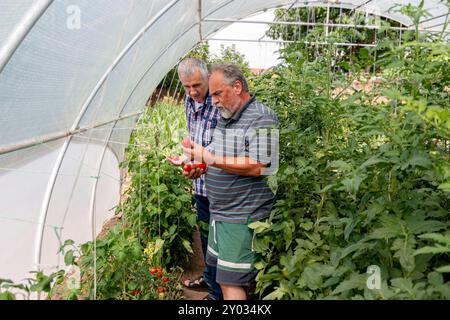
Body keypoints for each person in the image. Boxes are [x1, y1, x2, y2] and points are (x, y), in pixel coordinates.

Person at [181, 63, 279, 300]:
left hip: (241, 217)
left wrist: (208, 157)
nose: (213, 101)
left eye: (217, 94)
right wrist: (200, 166)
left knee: (233, 283)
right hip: (221, 214)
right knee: (225, 281)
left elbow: (258, 165)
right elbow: (220, 157)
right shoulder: (228, 117)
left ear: (237, 87)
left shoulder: (262, 117)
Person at [167, 57, 222, 300]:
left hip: (221, 184)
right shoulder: (189, 102)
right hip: (200, 183)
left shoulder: (220, 101)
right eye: (187, 86)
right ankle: (209, 279)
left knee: (220, 239)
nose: (192, 91)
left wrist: (204, 161)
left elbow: (226, 147)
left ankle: (218, 293)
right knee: (205, 235)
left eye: (197, 85)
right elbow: (194, 139)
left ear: (207, 79)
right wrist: (186, 158)